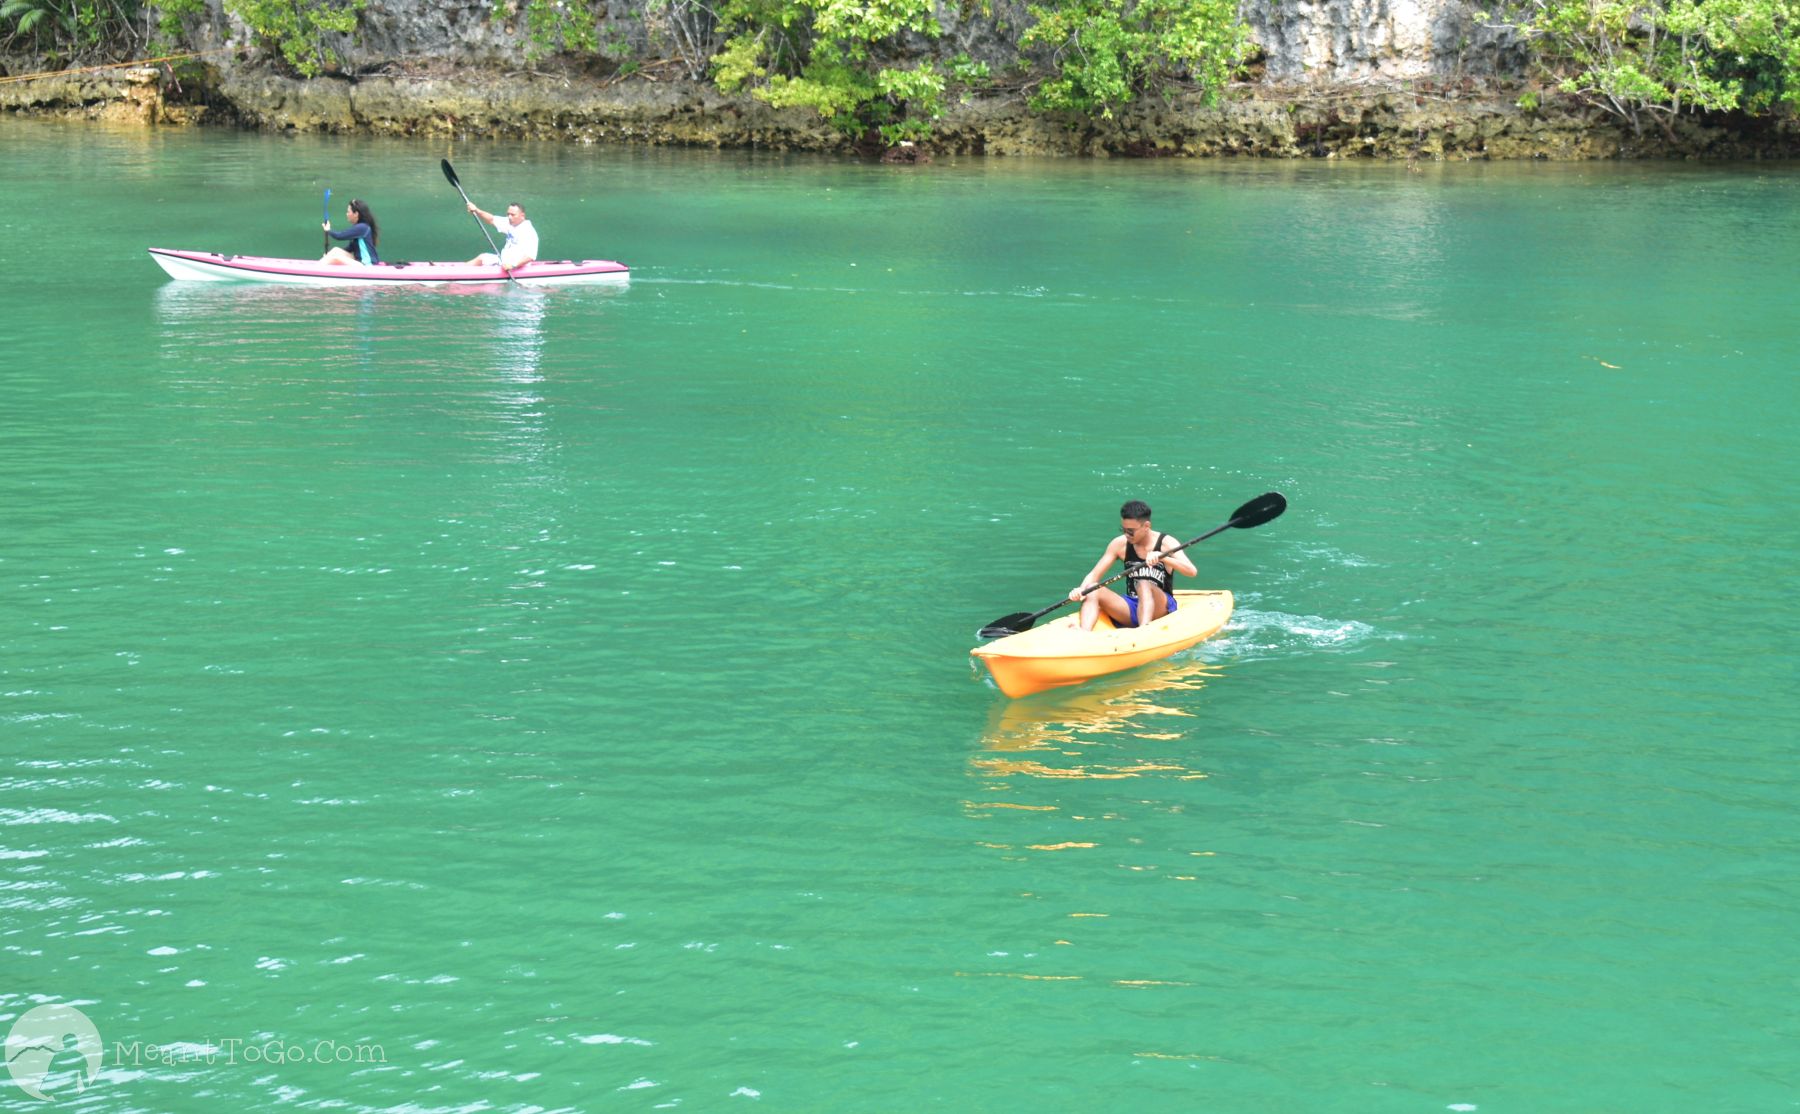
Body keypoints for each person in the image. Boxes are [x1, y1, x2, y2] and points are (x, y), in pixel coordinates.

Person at [1069, 500, 1197, 631]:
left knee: (1143, 583)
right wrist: (1081, 590)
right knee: (1092, 588)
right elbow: (1094, 574)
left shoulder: (1166, 543)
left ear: (1146, 526)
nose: (1126, 535)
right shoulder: (1119, 544)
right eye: (1123, 530)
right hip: (1132, 606)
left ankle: (1143, 630)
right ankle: (1084, 632)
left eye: (1131, 531)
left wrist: (1163, 558)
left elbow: (1191, 571)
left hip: (1161, 607)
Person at [465, 201, 538, 273]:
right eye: (508, 214)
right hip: (503, 262)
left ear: (522, 216)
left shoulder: (529, 232)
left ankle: (460, 273)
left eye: (513, 215)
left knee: (482, 258)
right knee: (482, 258)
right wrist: (476, 210)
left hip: (516, 267)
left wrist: (513, 265)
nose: (509, 217)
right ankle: (460, 269)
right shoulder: (509, 223)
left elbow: (530, 256)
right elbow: (491, 219)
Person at [320, 199, 380, 266]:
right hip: (360, 261)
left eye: (348, 212)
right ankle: (318, 267)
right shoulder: (360, 228)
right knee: (335, 251)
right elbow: (349, 249)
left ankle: (315, 270)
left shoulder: (362, 227)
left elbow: (339, 236)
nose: (346, 214)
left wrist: (328, 230)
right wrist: (329, 255)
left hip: (368, 265)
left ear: (356, 214)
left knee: (335, 258)